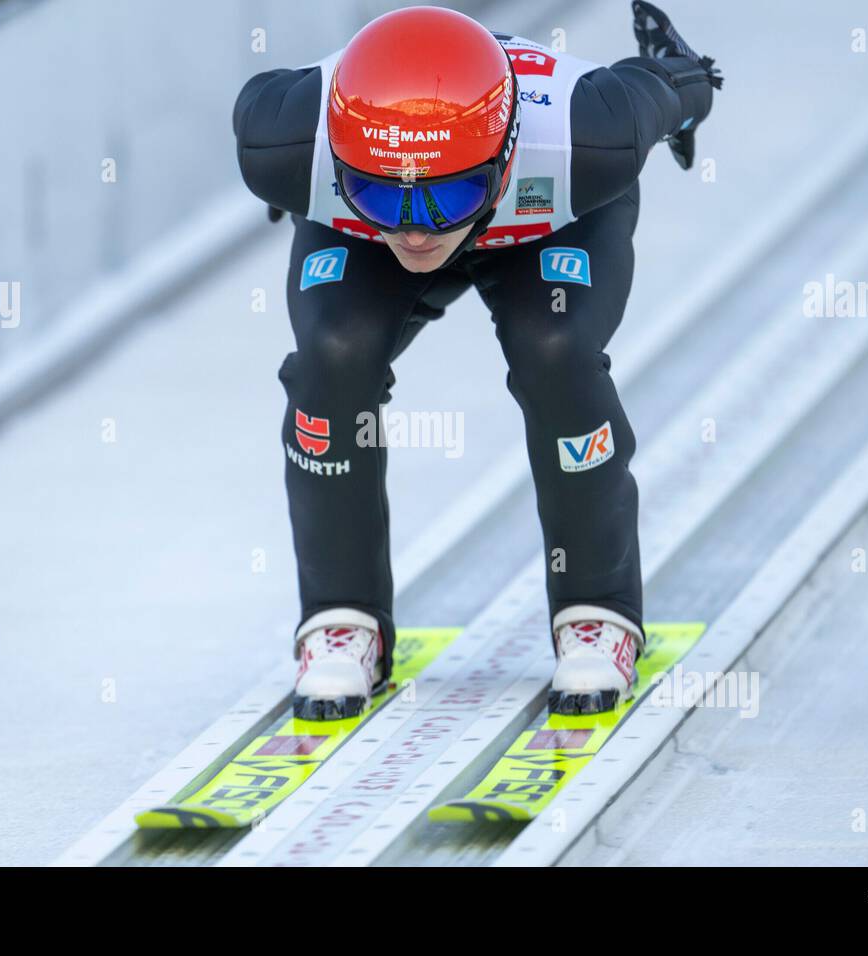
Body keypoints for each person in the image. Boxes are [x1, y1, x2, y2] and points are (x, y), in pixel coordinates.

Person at [232, 2, 721, 719]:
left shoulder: (592, 133)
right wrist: (327, 197)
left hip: (551, 220)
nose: (418, 232)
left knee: (556, 349)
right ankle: (341, 618)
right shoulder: (282, 143)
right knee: (331, 358)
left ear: (508, 146)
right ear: (333, 157)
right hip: (367, 234)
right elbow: (357, 186)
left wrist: (689, 84)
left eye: (449, 192)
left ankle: (599, 609)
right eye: (376, 189)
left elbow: (675, 83)